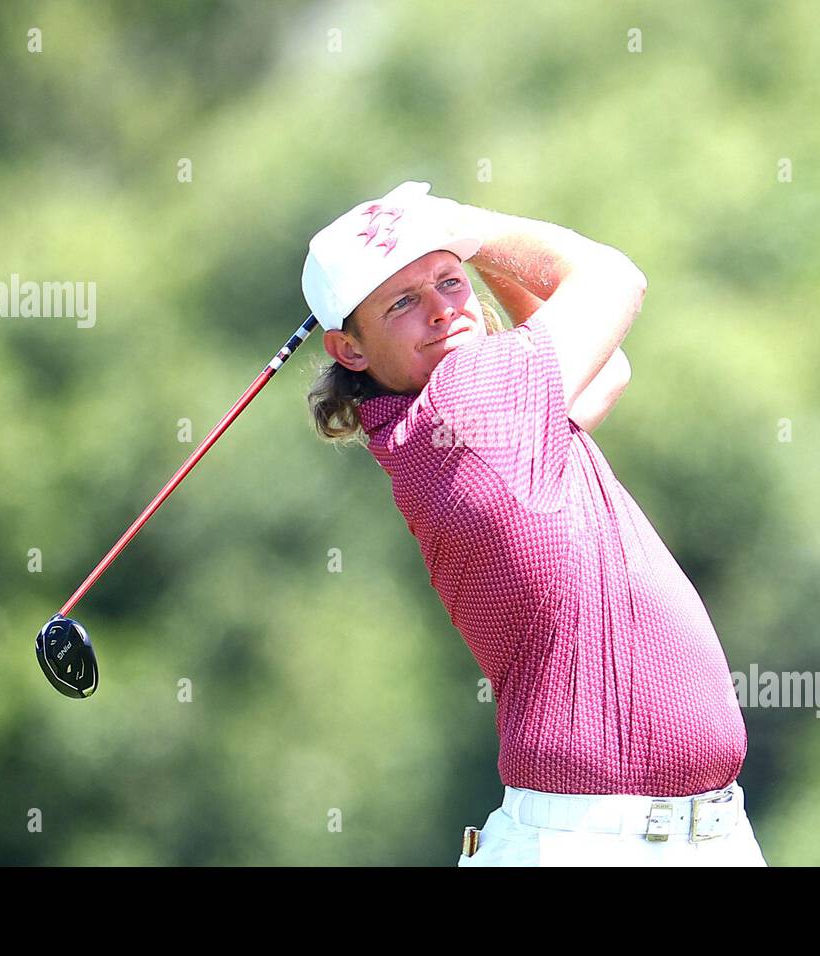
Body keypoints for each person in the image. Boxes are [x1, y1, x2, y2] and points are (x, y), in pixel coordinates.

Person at [301, 180, 767, 866]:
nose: (441, 311)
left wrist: (464, 253)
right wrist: (465, 226)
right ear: (351, 351)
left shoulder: (441, 422)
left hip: (686, 837)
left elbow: (606, 371)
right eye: (403, 302)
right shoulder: (473, 399)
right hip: (592, 845)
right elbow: (616, 277)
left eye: (449, 281)